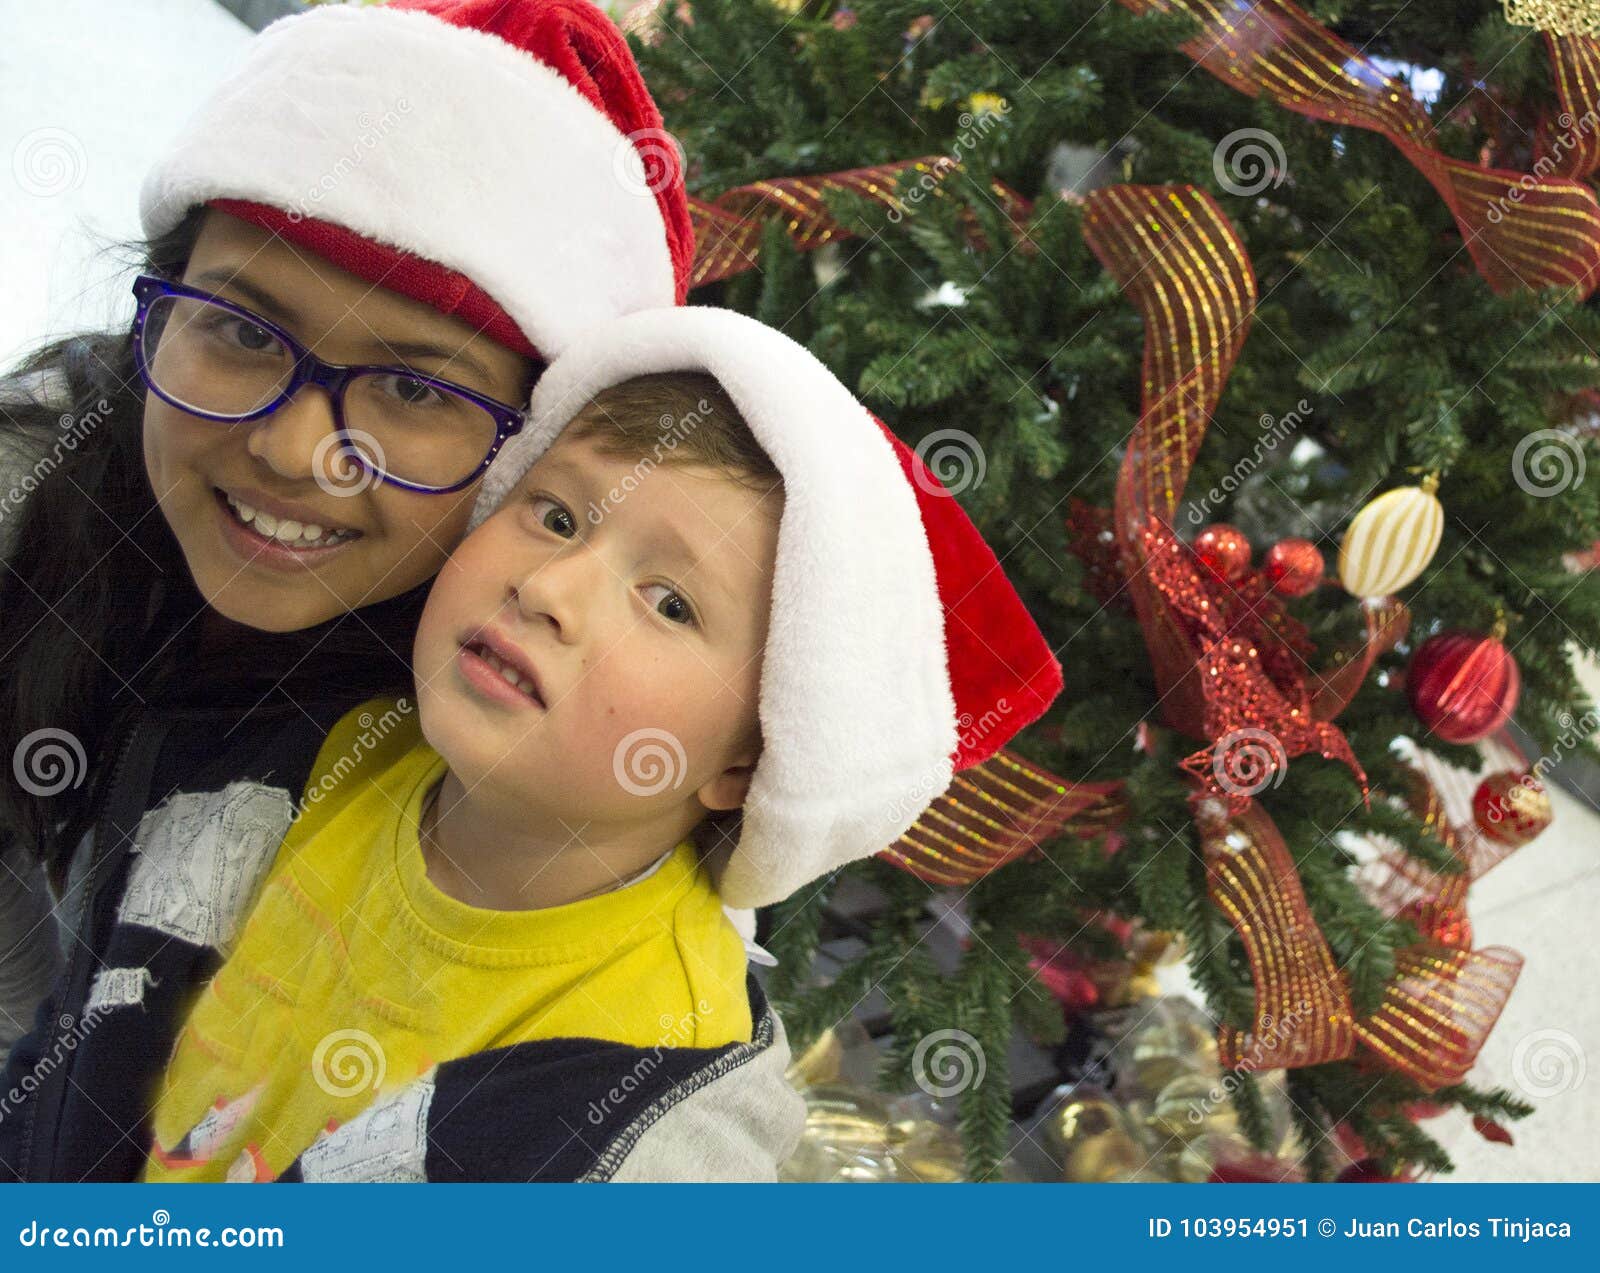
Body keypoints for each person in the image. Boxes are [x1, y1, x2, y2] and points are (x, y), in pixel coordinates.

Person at [2, 306, 1065, 1181]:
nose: (550, 587)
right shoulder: (321, 747)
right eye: (556, 516)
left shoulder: (654, 1116)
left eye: (668, 602)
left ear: (750, 762)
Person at [0, 0, 694, 1064]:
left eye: (414, 389)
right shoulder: (30, 486)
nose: (294, 451)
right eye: (240, 329)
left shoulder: (537, 749)